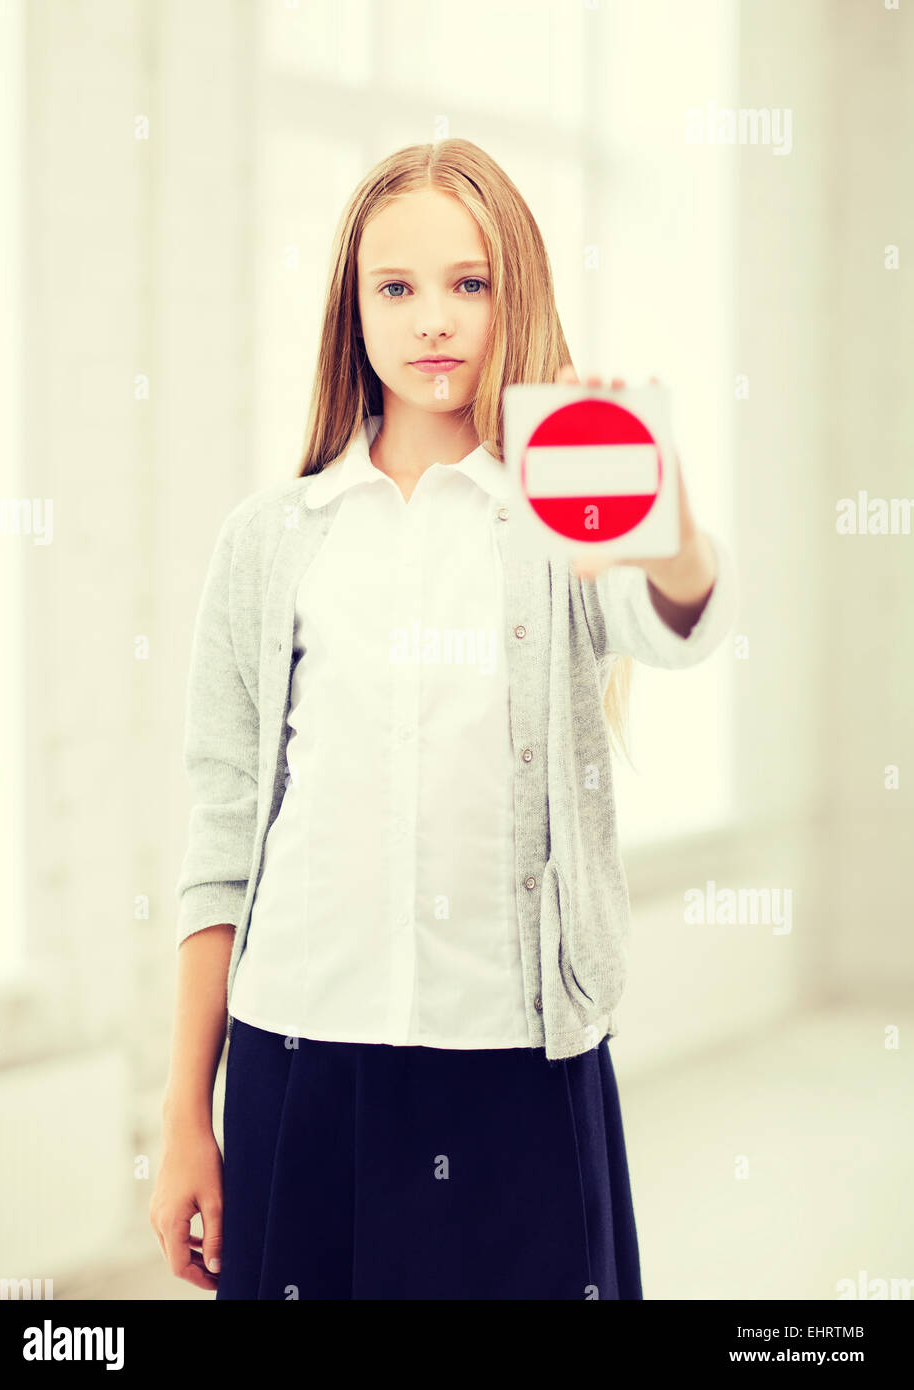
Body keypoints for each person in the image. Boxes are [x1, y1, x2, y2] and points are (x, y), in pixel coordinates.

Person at [149, 137, 738, 1300]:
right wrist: (183, 1112)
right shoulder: (271, 539)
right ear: (350, 307)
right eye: (397, 286)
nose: (434, 320)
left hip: (513, 1070)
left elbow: (679, 619)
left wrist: (659, 518)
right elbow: (221, 843)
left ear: (512, 291)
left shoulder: (564, 515)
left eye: (468, 283)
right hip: (295, 1067)